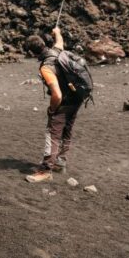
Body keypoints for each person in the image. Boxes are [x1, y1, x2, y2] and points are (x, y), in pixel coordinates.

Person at [23, 27, 83, 183]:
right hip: (76, 98)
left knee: (52, 134)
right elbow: (60, 41)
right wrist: (57, 32)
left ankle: (46, 170)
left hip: (63, 103)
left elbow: (56, 94)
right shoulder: (57, 51)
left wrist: (52, 109)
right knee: (67, 130)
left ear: (31, 53)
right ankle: (60, 163)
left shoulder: (46, 67)